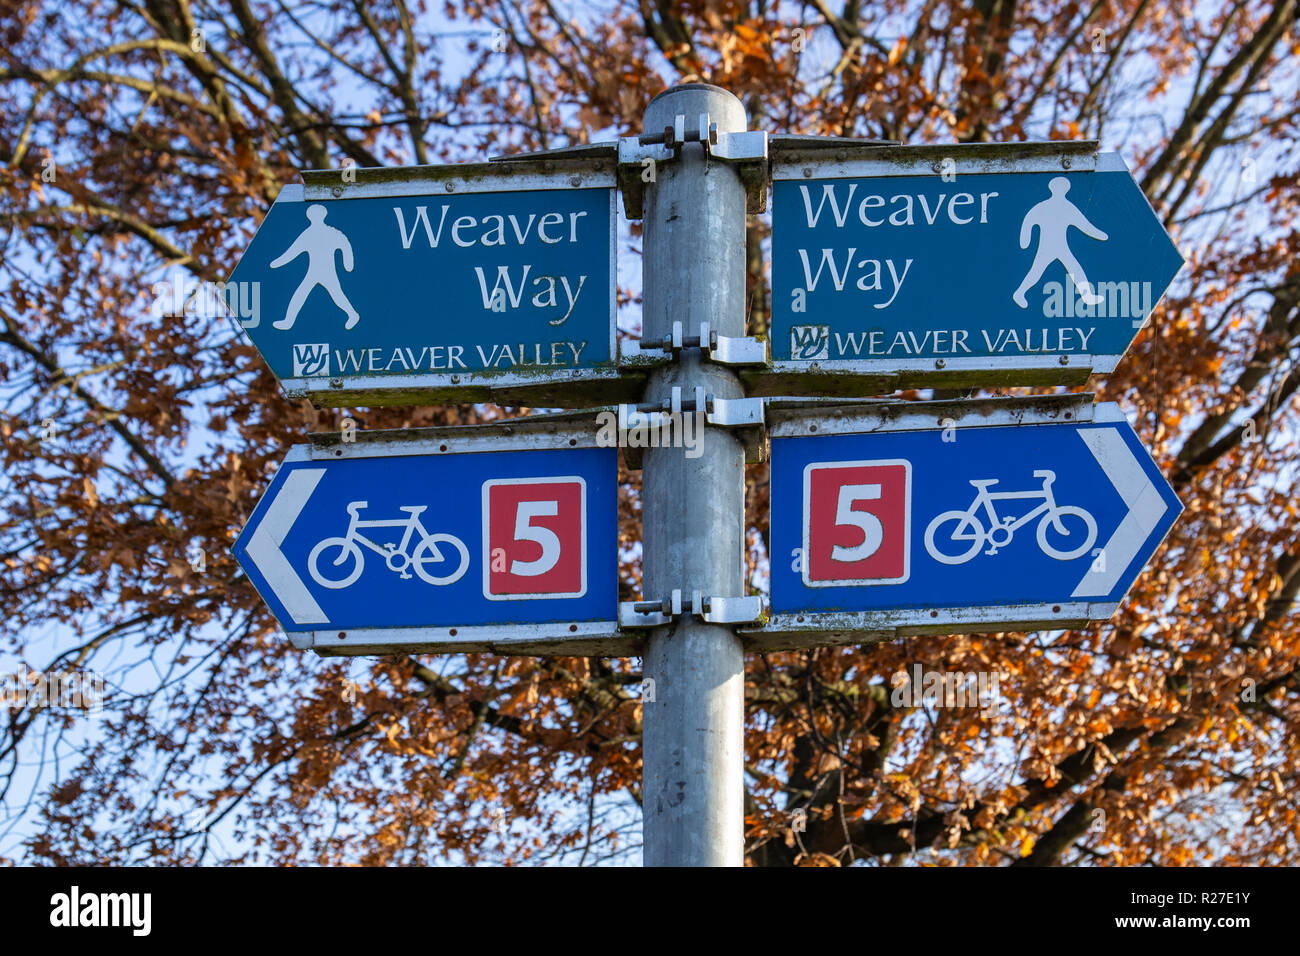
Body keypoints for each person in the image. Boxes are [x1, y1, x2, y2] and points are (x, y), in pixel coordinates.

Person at [1012, 177, 1108, 309]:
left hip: (1059, 247)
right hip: (1047, 248)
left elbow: (1085, 226)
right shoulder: (1056, 206)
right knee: (1037, 271)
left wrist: (1101, 235)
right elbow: (1029, 221)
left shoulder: (1052, 206)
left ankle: (1087, 296)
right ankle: (1019, 293)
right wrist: (1024, 241)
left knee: (1072, 269)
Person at [269, 204, 361, 330]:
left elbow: (345, 244)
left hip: (328, 272)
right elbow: (291, 252)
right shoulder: (312, 233)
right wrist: (275, 263)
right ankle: (288, 321)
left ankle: (353, 314)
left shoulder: (327, 232)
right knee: (302, 293)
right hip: (314, 272)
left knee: (336, 295)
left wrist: (348, 264)